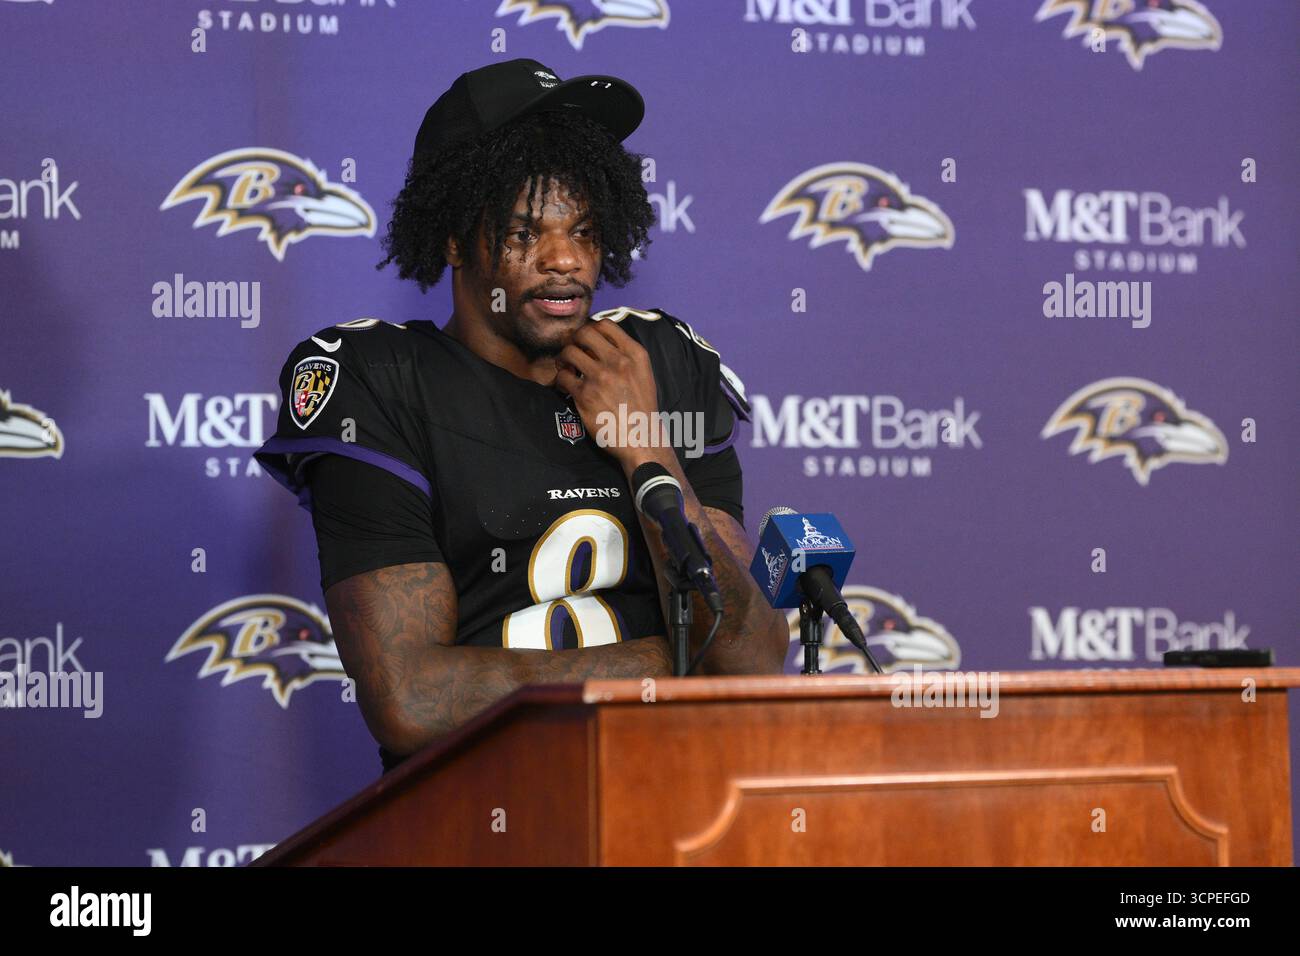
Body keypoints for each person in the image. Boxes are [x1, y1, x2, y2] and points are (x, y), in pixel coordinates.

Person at [255, 58, 787, 773]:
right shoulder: (379, 382)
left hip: (673, 800)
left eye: (585, 230)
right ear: (451, 237)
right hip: (486, 819)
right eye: (522, 232)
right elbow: (410, 699)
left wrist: (644, 446)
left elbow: (753, 658)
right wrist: (676, 664)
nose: (565, 260)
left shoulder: (662, 363)